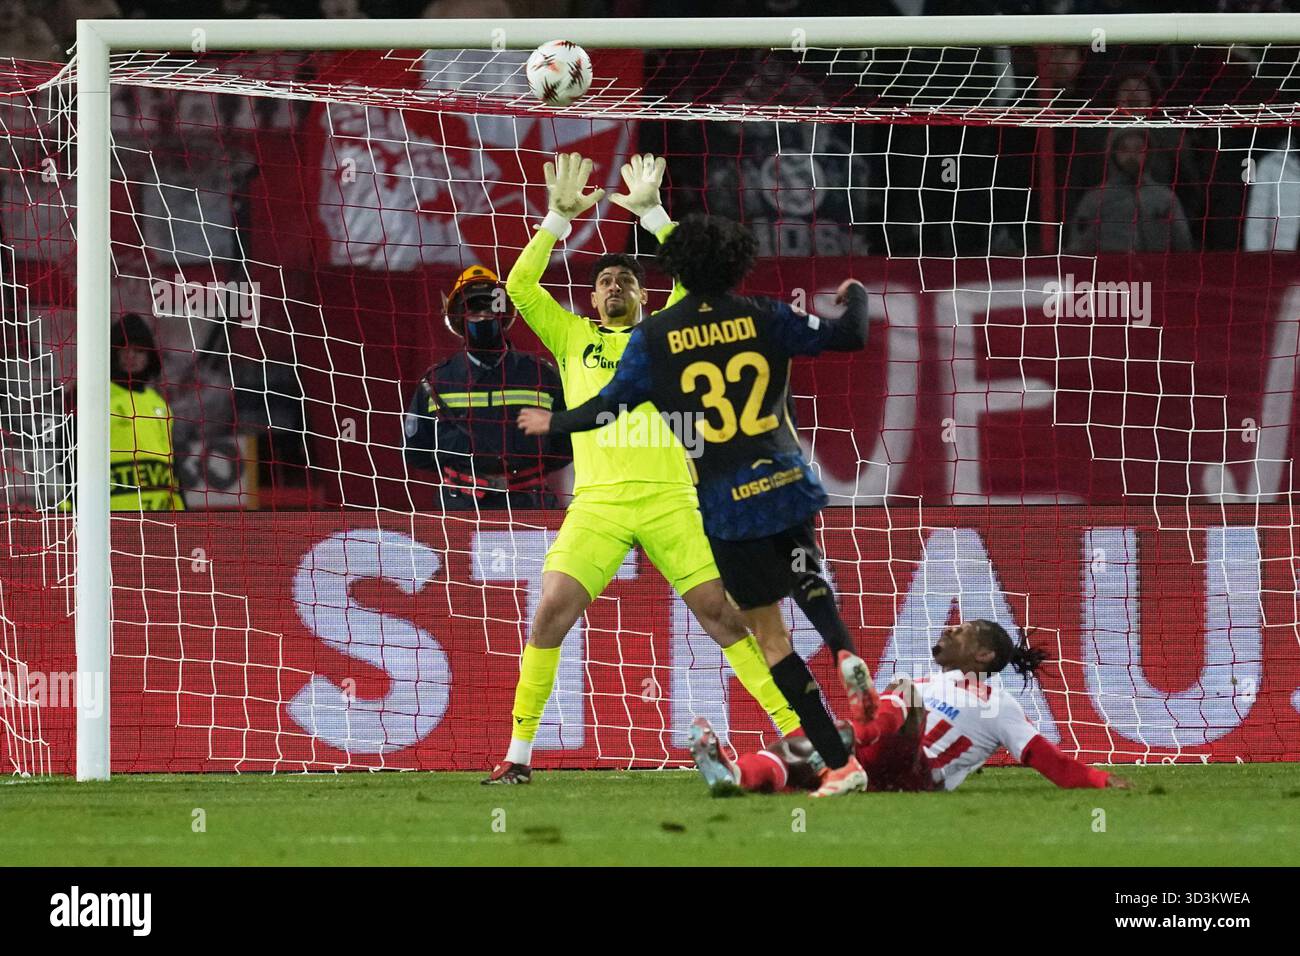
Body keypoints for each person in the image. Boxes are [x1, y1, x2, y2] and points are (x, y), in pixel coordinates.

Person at [484, 153, 829, 788]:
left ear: (647, 294)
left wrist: (654, 214)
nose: (614, 286)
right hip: (598, 503)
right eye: (604, 282)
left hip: (675, 499)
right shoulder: (571, 338)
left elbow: (702, 276)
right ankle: (518, 756)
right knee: (550, 612)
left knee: (726, 617)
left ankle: (798, 736)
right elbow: (522, 288)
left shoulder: (670, 332)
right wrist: (556, 221)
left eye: (626, 280)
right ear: (592, 298)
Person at [689, 619, 1133, 795]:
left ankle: (850, 745)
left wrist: (1098, 779)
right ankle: (735, 776)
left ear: (983, 656)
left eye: (965, 630)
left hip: (919, 775)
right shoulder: (931, 680)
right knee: (804, 749)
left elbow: (1045, 758)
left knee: (897, 695)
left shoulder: (999, 704)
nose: (952, 627)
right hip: (876, 762)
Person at [403, 265, 570, 510]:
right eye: (473, 309)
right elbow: (416, 451)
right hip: (460, 507)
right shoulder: (435, 382)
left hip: (530, 504)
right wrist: (464, 476)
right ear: (456, 317)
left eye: (490, 307)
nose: (483, 316)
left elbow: (566, 445)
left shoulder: (543, 376)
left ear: (505, 313)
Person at [1066, 128, 1194, 254]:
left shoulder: (1165, 199)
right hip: (1111, 267)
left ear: (1148, 153)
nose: (1131, 155)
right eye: (1124, 149)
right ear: (1113, 153)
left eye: (1139, 149)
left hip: (1157, 266)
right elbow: (1079, 248)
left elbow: (1183, 245)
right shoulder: (1095, 200)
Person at [109, 313, 185, 511]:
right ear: (114, 352)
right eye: (125, 349)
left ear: (149, 356)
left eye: (139, 350)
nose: (131, 356)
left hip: (156, 515)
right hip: (105, 515)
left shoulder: (160, 405)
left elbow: (174, 466)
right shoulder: (93, 398)